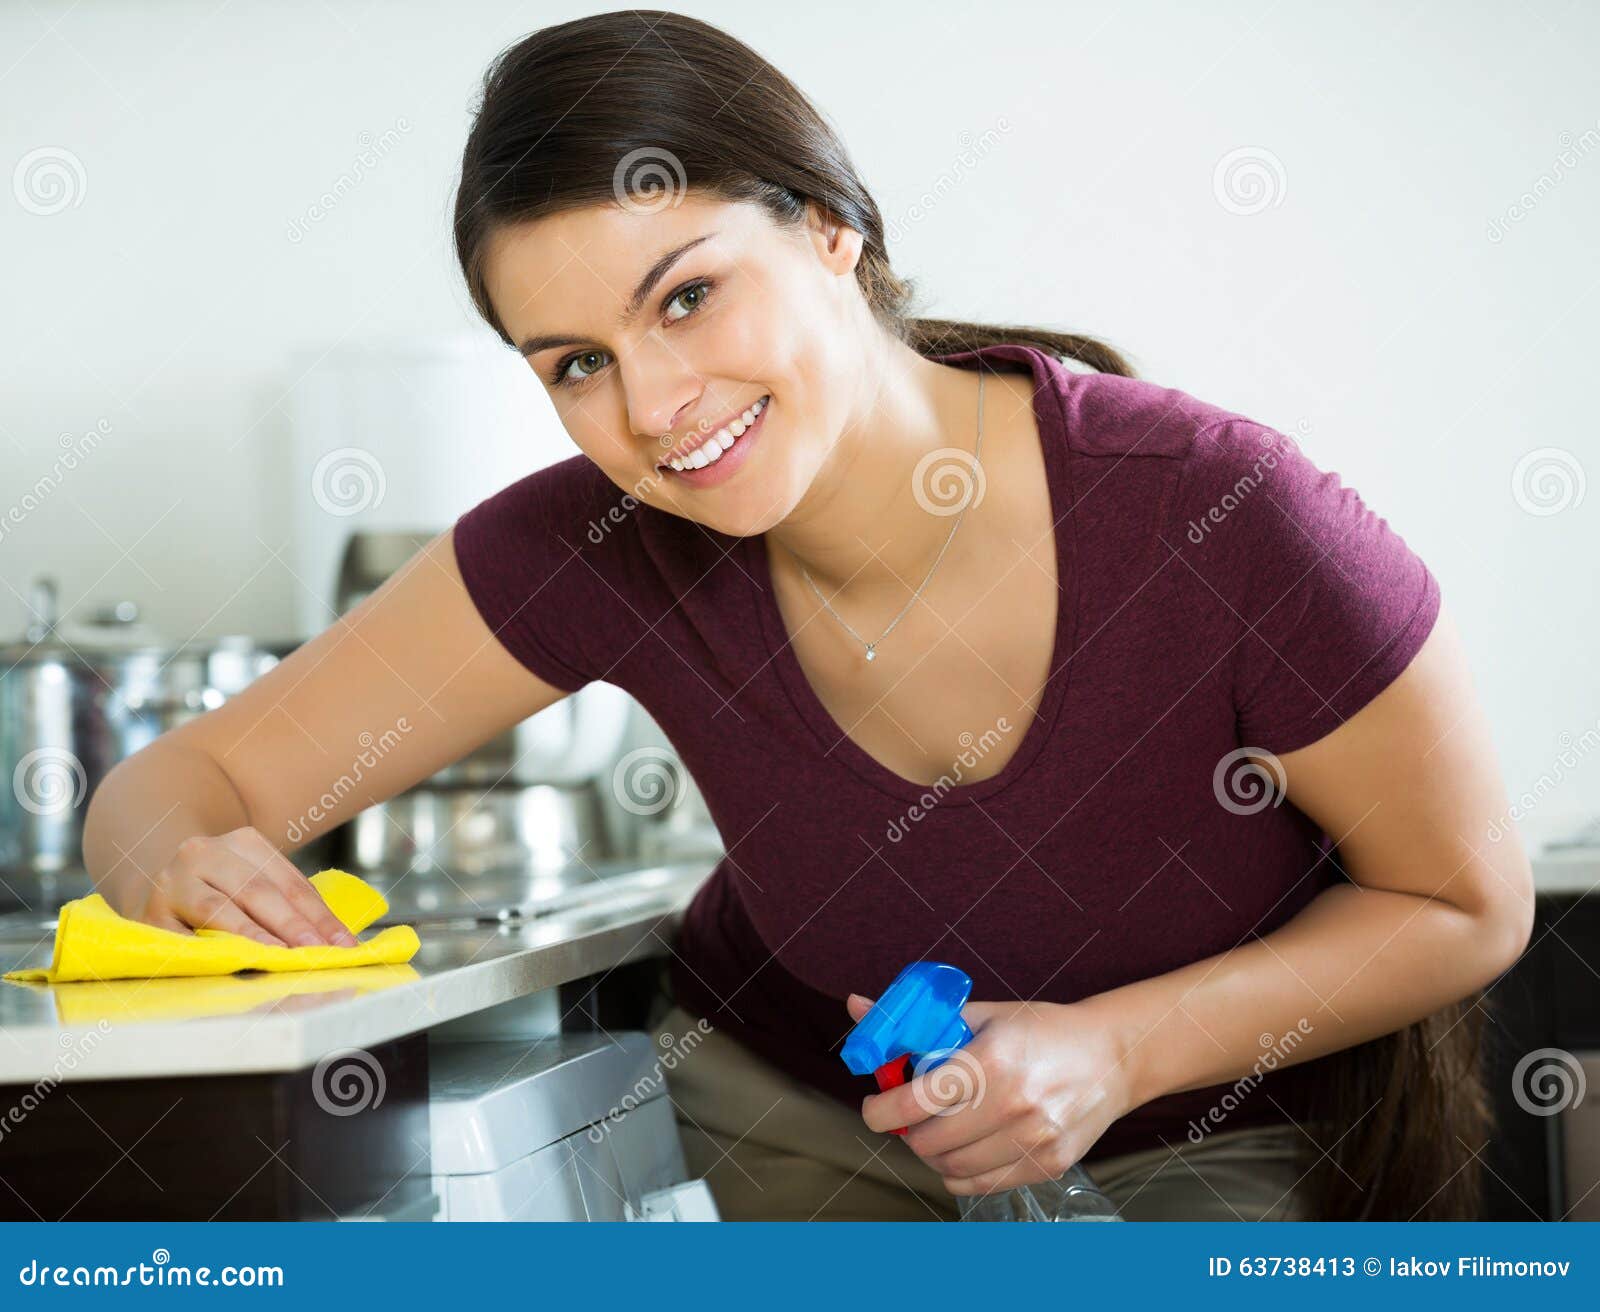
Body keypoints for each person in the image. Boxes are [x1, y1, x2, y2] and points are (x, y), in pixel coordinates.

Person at [83, 11, 1532, 1221]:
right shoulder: (598, 541)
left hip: (1203, 1139)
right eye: (575, 363)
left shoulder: (1218, 511)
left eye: (690, 298)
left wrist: (1112, 1053)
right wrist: (182, 861)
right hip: (786, 1128)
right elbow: (174, 783)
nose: (652, 410)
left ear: (833, 227)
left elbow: (1464, 899)